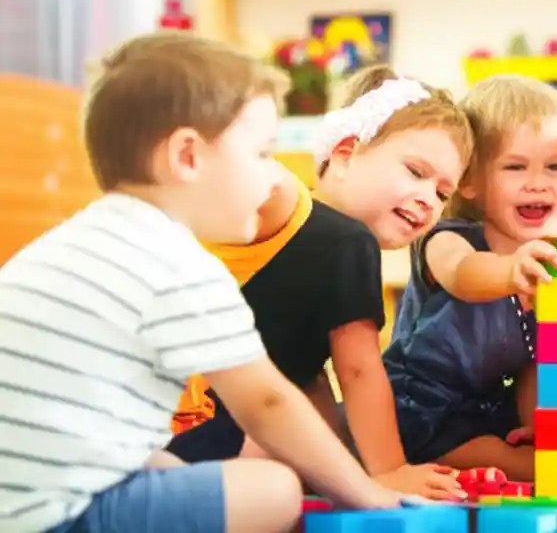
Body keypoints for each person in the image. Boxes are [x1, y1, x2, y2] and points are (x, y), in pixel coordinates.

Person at [0, 33, 401, 533]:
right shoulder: (179, 264)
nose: (274, 180)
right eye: (262, 155)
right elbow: (267, 403)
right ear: (188, 157)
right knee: (274, 486)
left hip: (21, 502)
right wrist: (372, 496)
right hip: (63, 514)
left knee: (166, 466)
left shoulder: (76, 241)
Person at [165, 65, 472, 501]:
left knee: (312, 455)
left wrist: (349, 467)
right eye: (415, 171)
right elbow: (360, 370)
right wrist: (389, 471)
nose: (428, 199)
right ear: (344, 154)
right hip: (190, 420)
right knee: (291, 473)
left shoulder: (330, 251)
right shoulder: (321, 225)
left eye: (443, 193)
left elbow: (313, 392)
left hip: (187, 426)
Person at [383, 75, 557, 481]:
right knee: (537, 470)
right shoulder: (448, 239)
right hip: (419, 407)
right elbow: (462, 275)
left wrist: (541, 427)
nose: (539, 182)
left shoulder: (552, 256)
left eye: (555, 167)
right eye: (516, 166)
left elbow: (534, 359)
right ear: (469, 180)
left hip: (487, 411)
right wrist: (511, 271)